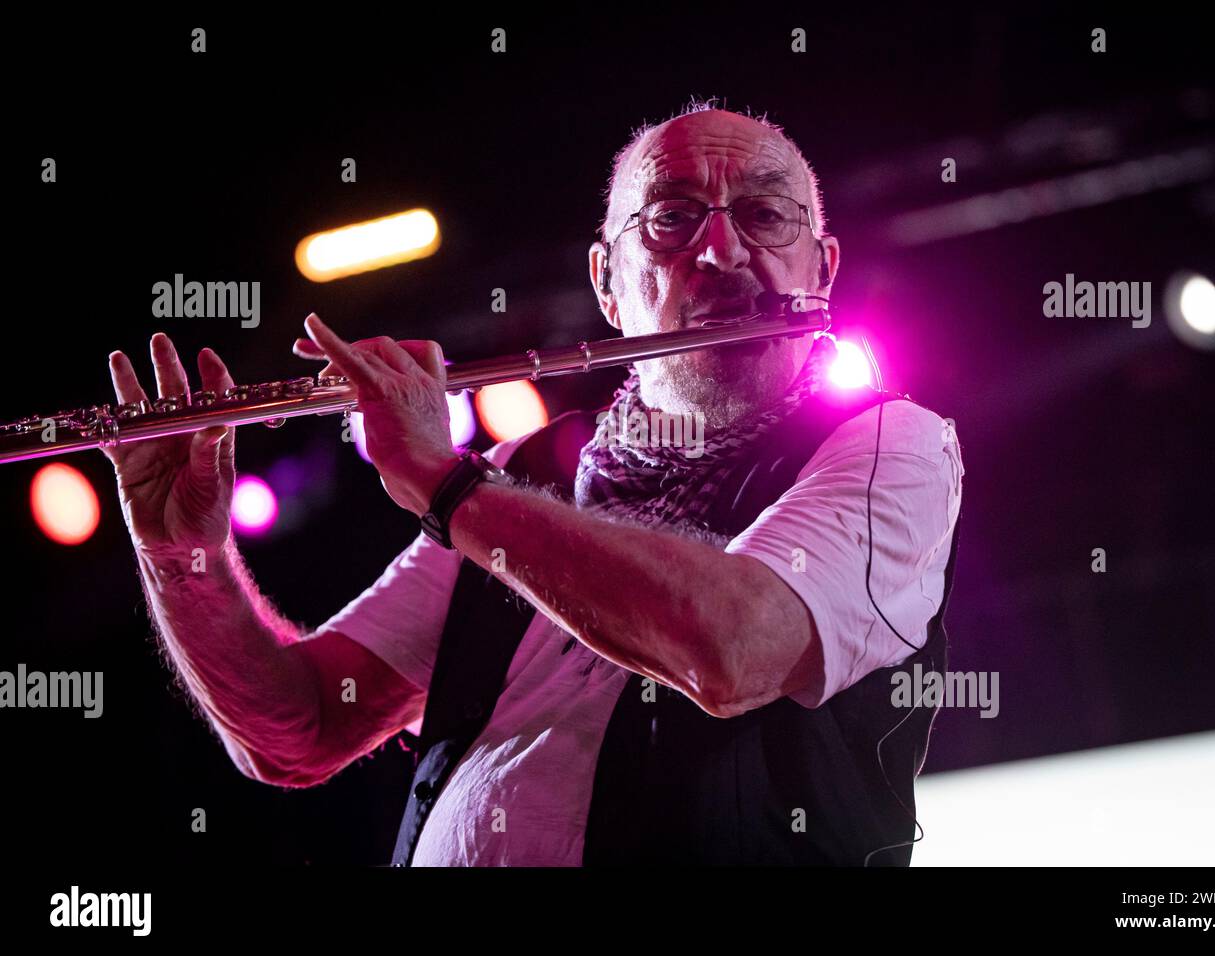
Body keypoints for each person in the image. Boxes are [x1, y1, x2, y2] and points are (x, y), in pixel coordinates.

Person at [105, 102, 964, 866]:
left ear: (821, 268)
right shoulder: (531, 471)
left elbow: (734, 648)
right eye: (671, 219)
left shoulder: (891, 445)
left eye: (765, 215)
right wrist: (184, 555)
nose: (721, 248)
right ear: (607, 285)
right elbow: (300, 730)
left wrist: (444, 485)